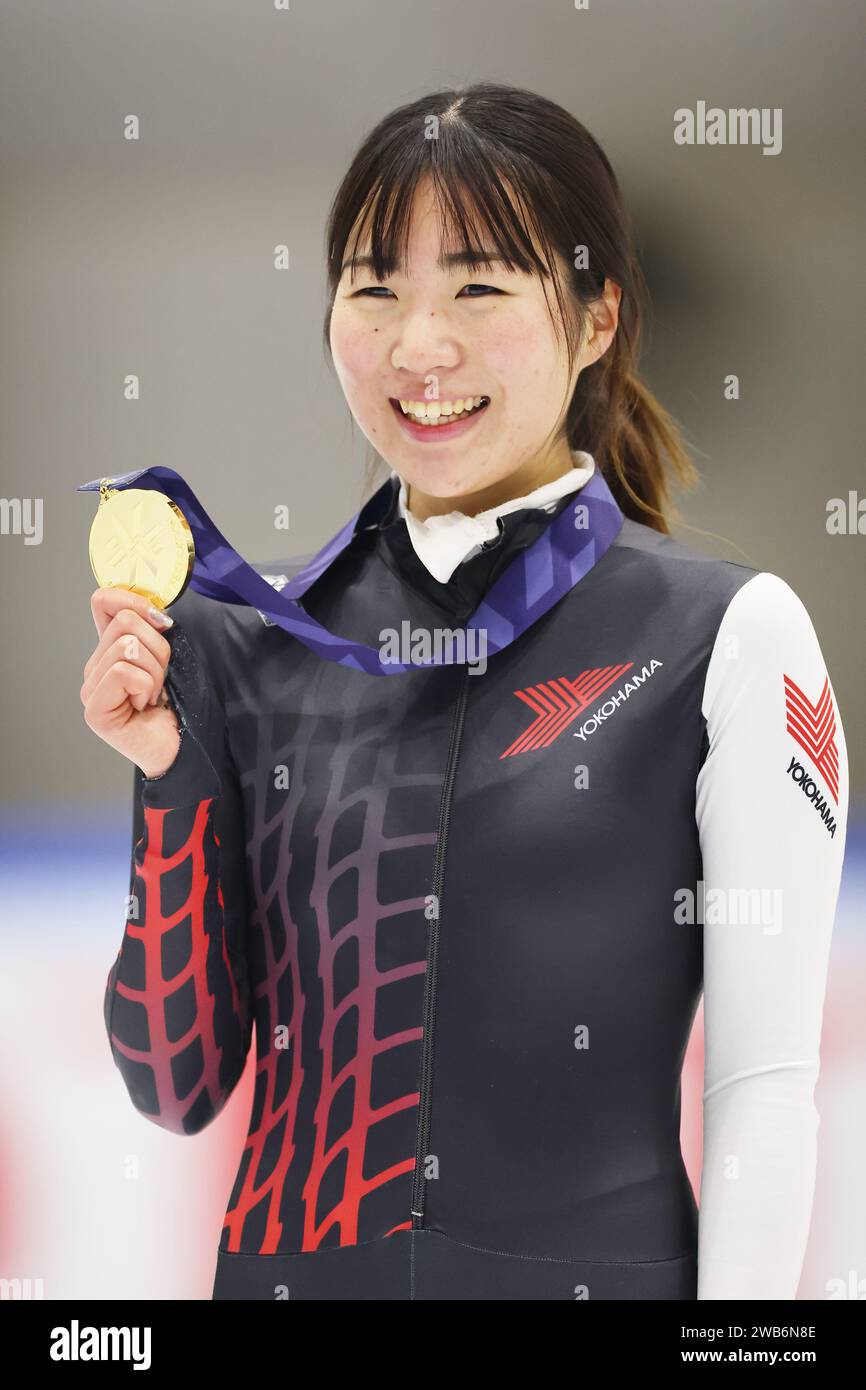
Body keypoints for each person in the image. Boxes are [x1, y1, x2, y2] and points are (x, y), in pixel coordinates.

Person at [80, 82, 848, 1301]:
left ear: (597, 318)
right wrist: (170, 777)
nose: (417, 346)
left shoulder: (727, 634)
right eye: (375, 287)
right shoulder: (241, 643)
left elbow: (762, 1083)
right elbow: (170, 1085)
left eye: (479, 288)